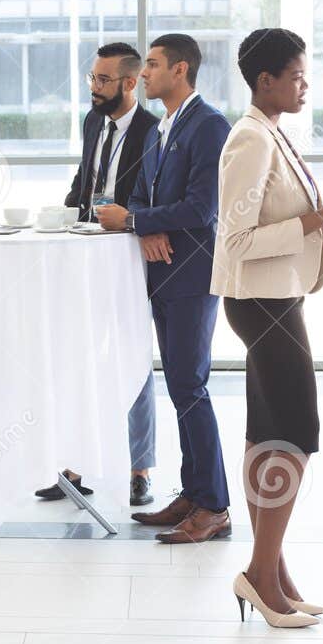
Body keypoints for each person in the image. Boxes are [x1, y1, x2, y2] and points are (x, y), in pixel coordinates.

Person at [214, 29, 323, 627]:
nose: (306, 85)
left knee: (269, 429)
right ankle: (260, 571)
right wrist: (320, 218)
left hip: (277, 298)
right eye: (298, 76)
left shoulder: (271, 132)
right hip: (262, 301)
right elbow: (236, 240)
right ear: (265, 81)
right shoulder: (250, 138)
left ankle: (270, 571)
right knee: (296, 430)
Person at [99, 33, 232, 543]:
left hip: (193, 275)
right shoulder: (162, 129)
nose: (145, 73)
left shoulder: (209, 126)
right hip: (161, 273)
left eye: (152, 65)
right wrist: (145, 223)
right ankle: (192, 493)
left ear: (181, 70)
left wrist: (135, 220)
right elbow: (140, 191)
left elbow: (203, 208)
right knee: (179, 387)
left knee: (191, 388)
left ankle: (214, 505)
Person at [37, 41, 162, 508]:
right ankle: (73, 466)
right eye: (92, 78)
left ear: (130, 83)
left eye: (103, 80)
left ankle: (140, 469)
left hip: (129, 252)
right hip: (84, 250)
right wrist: (65, 213)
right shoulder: (93, 121)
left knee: (133, 359)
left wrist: (131, 218)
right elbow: (85, 177)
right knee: (77, 355)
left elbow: (157, 193)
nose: (94, 87)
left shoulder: (152, 129)